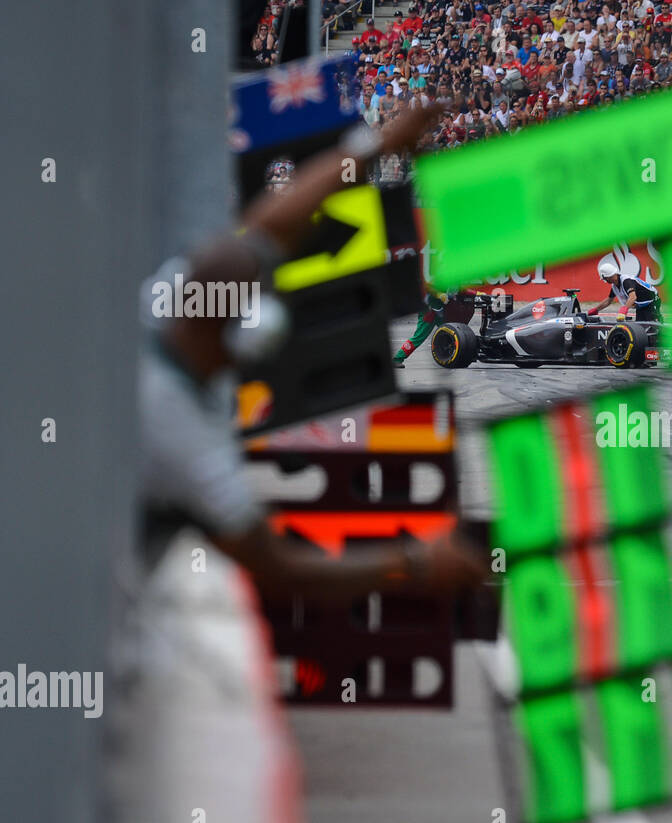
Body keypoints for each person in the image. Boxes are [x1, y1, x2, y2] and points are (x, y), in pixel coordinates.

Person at [140, 101, 486, 601]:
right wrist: (412, 562)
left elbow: (275, 223)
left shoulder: (180, 298)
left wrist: (378, 145)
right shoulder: (182, 437)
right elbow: (280, 567)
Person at [589, 259, 661, 321]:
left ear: (607, 277)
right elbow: (609, 300)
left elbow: (633, 297)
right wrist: (596, 310)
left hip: (652, 300)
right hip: (641, 305)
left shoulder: (626, 281)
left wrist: (623, 311)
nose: (605, 280)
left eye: (604, 278)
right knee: (641, 326)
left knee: (652, 325)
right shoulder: (615, 285)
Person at [393, 291, 449, 367]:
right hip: (429, 312)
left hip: (441, 310)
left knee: (453, 333)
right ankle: (397, 359)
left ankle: (461, 354)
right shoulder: (429, 280)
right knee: (419, 337)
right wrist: (438, 294)